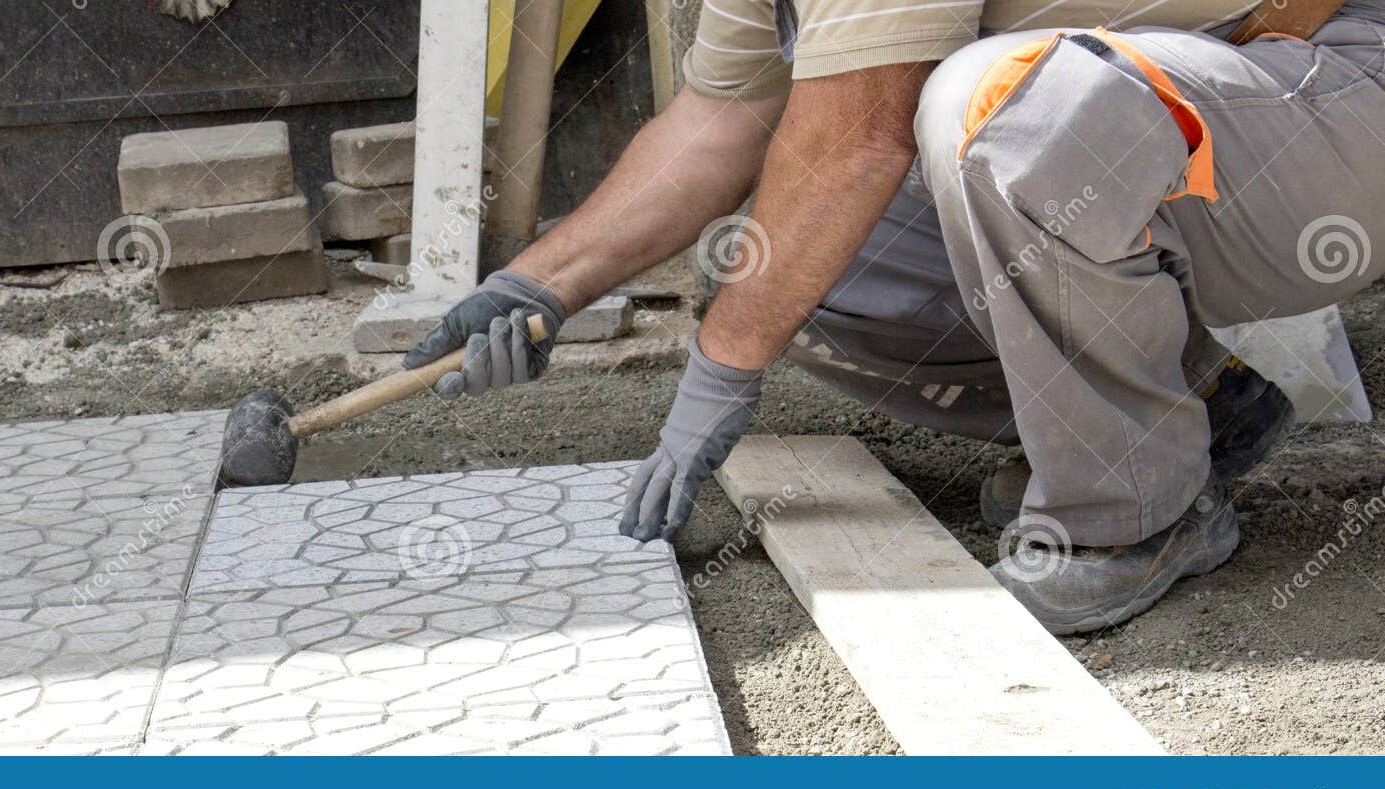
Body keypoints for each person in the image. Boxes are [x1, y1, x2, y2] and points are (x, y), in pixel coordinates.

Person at [405, 0, 1385, 633]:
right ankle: (1189, 403)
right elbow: (723, 117)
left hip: (1329, 88)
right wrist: (538, 286)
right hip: (1177, 133)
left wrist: (721, 369)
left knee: (997, 107)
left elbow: (858, 137)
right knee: (786, 264)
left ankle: (1133, 515)